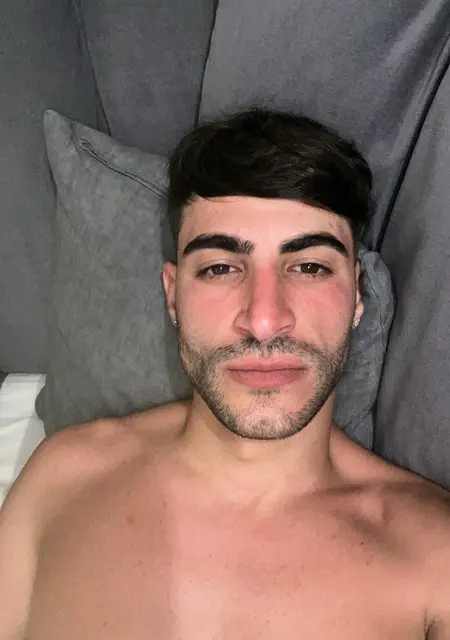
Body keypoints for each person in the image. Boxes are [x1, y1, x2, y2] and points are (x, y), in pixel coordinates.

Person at [1, 108, 449, 640]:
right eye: (219, 268)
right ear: (174, 296)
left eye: (310, 267)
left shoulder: (434, 558)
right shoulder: (62, 476)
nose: (264, 321)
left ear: (356, 296)